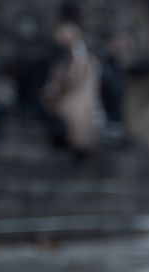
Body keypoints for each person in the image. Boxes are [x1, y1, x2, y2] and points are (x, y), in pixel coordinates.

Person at [41, 10, 101, 163]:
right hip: (80, 101)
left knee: (72, 125)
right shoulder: (78, 51)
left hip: (74, 100)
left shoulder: (78, 51)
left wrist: (55, 87)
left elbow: (73, 75)